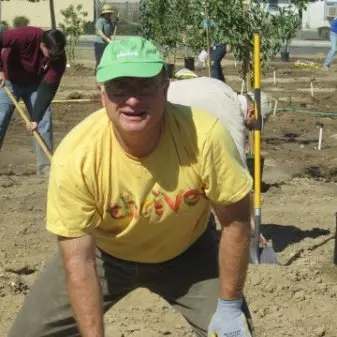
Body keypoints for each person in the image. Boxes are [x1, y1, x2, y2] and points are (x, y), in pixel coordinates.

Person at [8, 37, 255, 337]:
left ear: (164, 89)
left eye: (144, 86)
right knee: (27, 333)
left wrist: (229, 307)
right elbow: (79, 260)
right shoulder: (76, 156)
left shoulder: (205, 136)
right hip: (105, 254)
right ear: (102, 95)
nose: (132, 100)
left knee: (235, 333)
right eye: (119, 88)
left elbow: (237, 221)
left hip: (188, 252)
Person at [0, 26, 66, 177]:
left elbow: (48, 89)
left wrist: (35, 118)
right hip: (10, 80)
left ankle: (45, 167)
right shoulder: (26, 35)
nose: (54, 59)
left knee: (44, 121)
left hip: (37, 85)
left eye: (58, 55)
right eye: (51, 55)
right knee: (0, 117)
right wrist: (0, 69)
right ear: (43, 45)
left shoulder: (59, 58)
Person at [168, 76, 272, 165]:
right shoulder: (232, 114)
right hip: (164, 114)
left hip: (162, 97)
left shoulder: (222, 87)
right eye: (255, 125)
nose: (252, 129)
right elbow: (237, 161)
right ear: (251, 112)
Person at [94, 4, 118, 70]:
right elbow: (99, 32)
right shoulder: (100, 21)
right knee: (100, 60)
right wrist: (107, 39)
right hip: (99, 44)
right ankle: (97, 74)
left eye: (110, 13)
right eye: (108, 13)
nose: (110, 14)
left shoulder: (109, 21)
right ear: (104, 14)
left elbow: (111, 31)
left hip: (107, 43)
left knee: (107, 59)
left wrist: (115, 23)